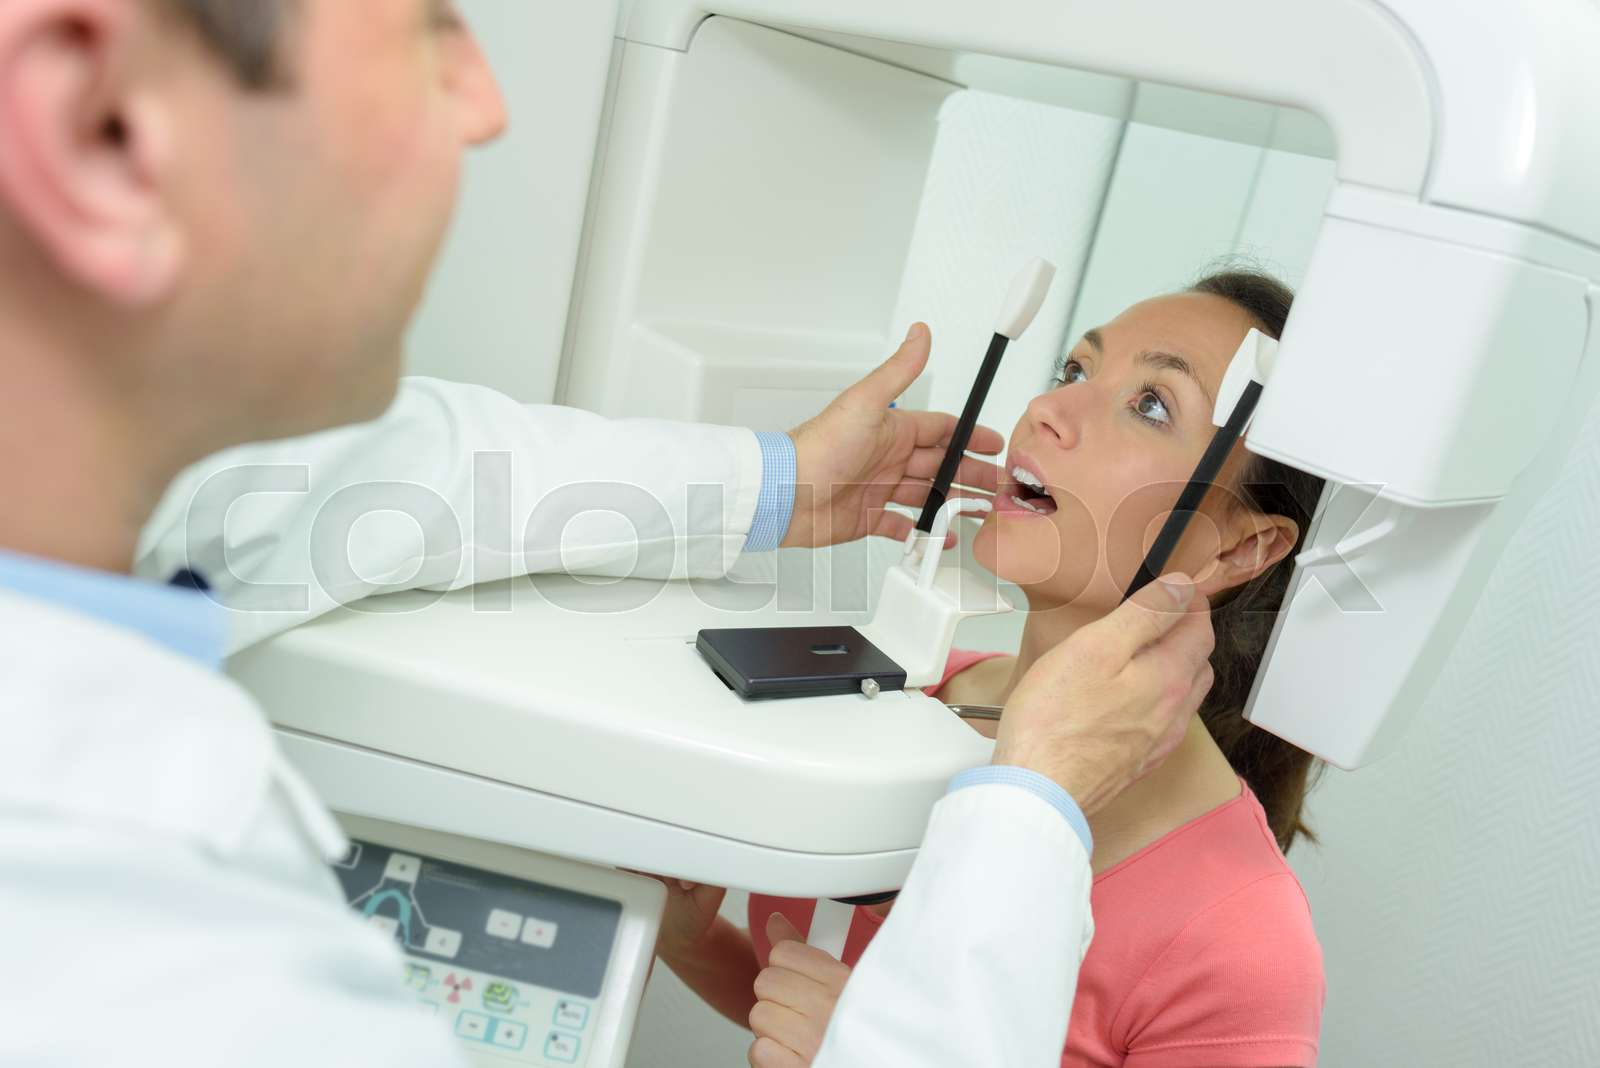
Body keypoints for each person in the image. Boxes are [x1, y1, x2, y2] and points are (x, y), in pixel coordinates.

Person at [0, 2, 1214, 1066]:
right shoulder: (155, 980)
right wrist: (1027, 815)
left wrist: (778, 485)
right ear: (92, 123)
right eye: (420, 25)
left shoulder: (178, 504)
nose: (483, 103)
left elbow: (394, 474)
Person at [658, 271, 1326, 1068]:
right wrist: (688, 941)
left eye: (1152, 404)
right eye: (1075, 371)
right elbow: (799, 1000)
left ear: (1243, 546)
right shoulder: (911, 696)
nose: (1047, 410)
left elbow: (848, 1034)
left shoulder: (1242, 939)